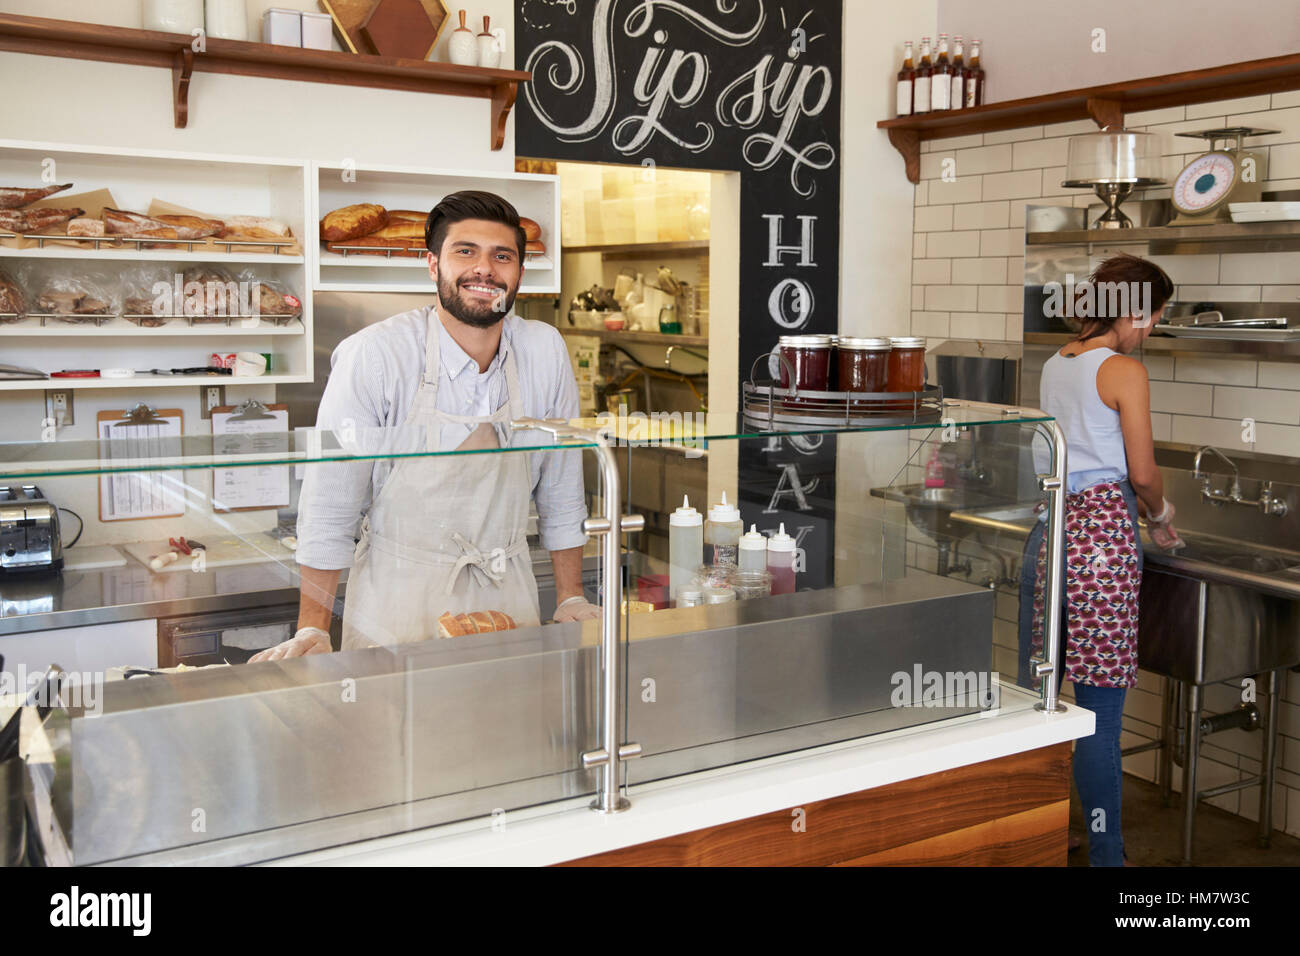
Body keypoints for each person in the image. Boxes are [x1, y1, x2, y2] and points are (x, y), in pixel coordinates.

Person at [251, 190, 597, 661]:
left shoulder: (544, 350)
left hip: (508, 597)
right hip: (396, 602)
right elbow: (331, 501)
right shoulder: (375, 355)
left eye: (503, 256)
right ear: (433, 265)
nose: (485, 270)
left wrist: (569, 596)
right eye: (465, 252)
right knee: (395, 729)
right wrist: (312, 628)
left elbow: (561, 487)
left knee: (507, 727)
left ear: (519, 271)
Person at [1017, 253, 1181, 867]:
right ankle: (1108, 860)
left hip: (1050, 529)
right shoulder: (1124, 370)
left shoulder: (1057, 363)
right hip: (1103, 543)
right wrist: (1161, 518)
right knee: (1098, 713)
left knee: (1044, 700)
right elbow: (1142, 473)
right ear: (1136, 310)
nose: (1152, 329)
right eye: (1155, 317)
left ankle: (1039, 839)